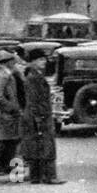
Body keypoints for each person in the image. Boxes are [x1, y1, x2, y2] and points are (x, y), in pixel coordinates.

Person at [21, 48, 63, 184]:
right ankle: (49, 176)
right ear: (32, 62)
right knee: (46, 146)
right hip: (40, 116)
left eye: (44, 59)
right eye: (40, 60)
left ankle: (36, 176)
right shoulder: (33, 77)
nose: (43, 62)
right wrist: (39, 118)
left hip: (37, 116)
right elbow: (33, 100)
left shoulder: (35, 75)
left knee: (37, 146)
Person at [0, 50, 24, 176]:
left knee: (9, 141)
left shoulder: (7, 75)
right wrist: (12, 107)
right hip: (5, 113)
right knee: (1, 141)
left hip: (8, 113)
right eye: (12, 61)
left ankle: (5, 165)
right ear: (7, 62)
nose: (14, 63)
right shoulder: (2, 76)